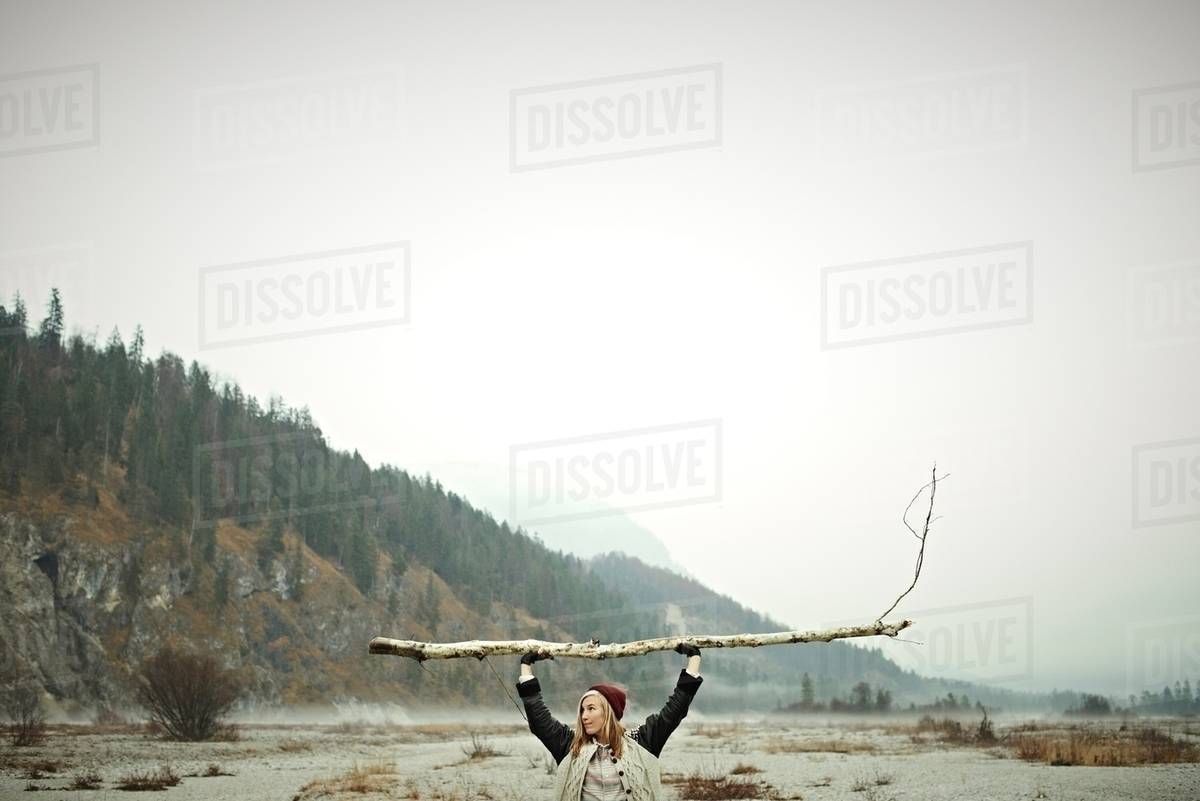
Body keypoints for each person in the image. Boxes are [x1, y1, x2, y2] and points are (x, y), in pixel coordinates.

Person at [516, 642, 703, 801]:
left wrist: (694, 659)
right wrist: (526, 666)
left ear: (608, 713)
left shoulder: (643, 741)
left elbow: (674, 710)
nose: (583, 716)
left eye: (591, 708)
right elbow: (538, 718)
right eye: (582, 710)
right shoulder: (570, 745)